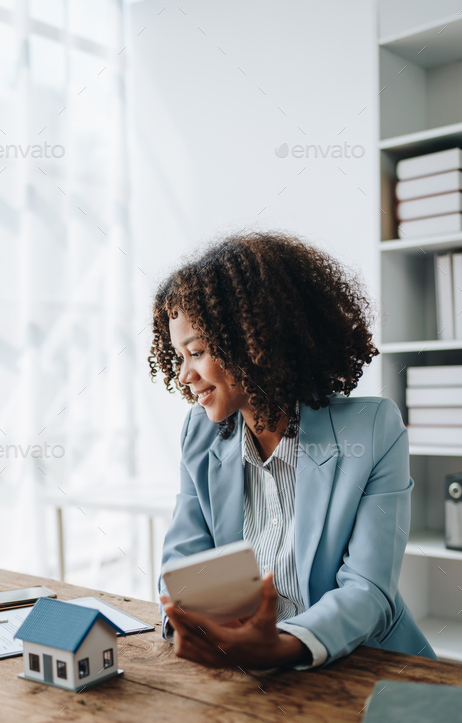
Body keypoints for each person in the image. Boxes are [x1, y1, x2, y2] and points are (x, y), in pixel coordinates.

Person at [148, 231, 436, 671]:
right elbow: (184, 563)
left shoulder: (373, 429)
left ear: (253, 339)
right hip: (245, 671)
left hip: (365, 666)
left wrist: (280, 646)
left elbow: (367, 589)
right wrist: (196, 626)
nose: (184, 375)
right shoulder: (200, 433)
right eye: (177, 356)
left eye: (197, 352)